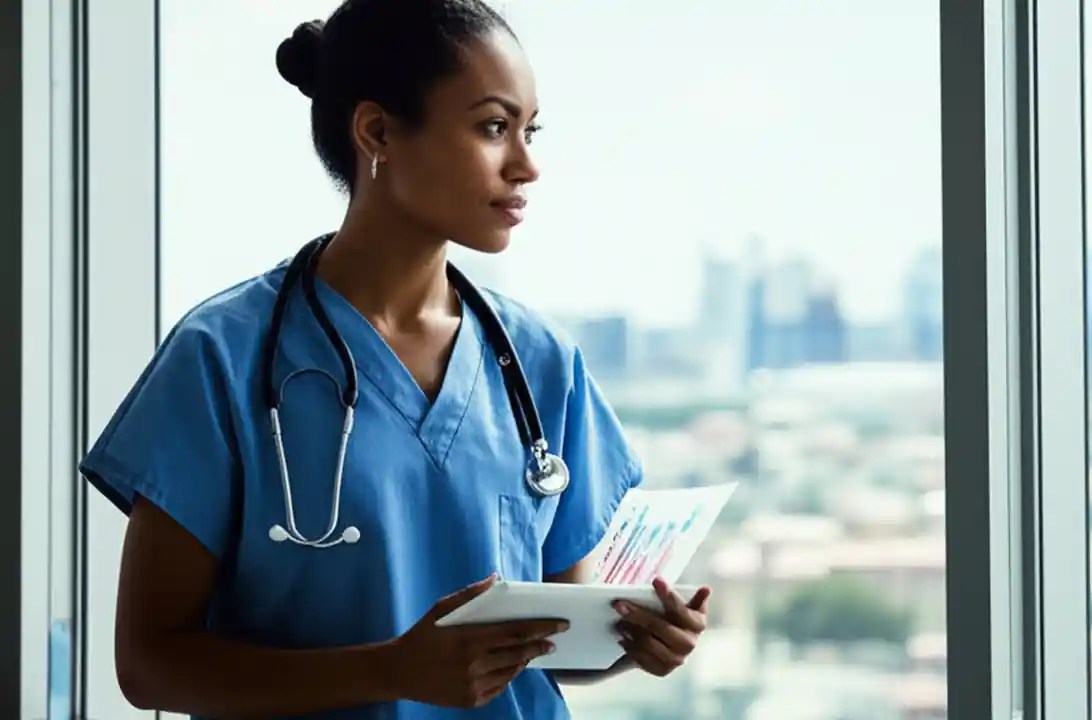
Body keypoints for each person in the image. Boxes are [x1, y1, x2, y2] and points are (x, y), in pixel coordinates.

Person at [77, 1, 712, 717]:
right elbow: (151, 664)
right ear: (377, 131)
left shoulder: (538, 363)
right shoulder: (222, 355)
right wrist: (389, 673)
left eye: (530, 131)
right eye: (493, 127)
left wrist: (637, 639)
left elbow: (552, 643)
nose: (527, 165)